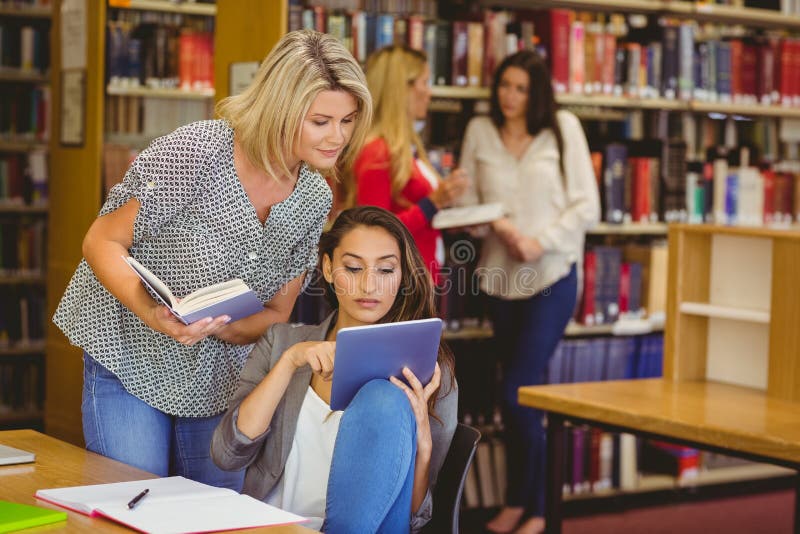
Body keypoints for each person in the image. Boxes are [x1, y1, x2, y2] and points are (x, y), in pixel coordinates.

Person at [52, 30, 372, 490]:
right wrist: (154, 315)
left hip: (219, 375)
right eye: (321, 121)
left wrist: (213, 325)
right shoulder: (198, 152)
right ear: (281, 109)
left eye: (348, 120)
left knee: (213, 514)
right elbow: (101, 241)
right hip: (130, 352)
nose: (337, 137)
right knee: (132, 503)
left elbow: (277, 314)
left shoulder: (313, 198)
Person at [211, 206, 458, 533]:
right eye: (353, 268)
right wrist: (290, 362)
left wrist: (422, 446)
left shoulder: (428, 367)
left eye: (385, 270)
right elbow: (227, 455)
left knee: (383, 397)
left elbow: (415, 518)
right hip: (276, 527)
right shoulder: (283, 342)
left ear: (402, 278)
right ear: (327, 268)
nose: (369, 285)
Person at [458, 50, 600, 534]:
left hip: (552, 276)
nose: (510, 96)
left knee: (520, 393)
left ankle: (538, 509)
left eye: (520, 88)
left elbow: (587, 205)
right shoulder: (479, 130)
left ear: (537, 92)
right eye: (504, 86)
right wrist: (500, 226)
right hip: (500, 279)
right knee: (513, 395)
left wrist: (539, 242)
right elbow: (466, 205)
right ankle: (522, 502)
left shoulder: (563, 127)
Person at [352, 45, 469, 279]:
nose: (429, 93)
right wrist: (432, 204)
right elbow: (374, 232)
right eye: (424, 83)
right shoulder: (377, 153)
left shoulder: (404, 148)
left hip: (418, 278)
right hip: (398, 285)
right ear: (402, 89)